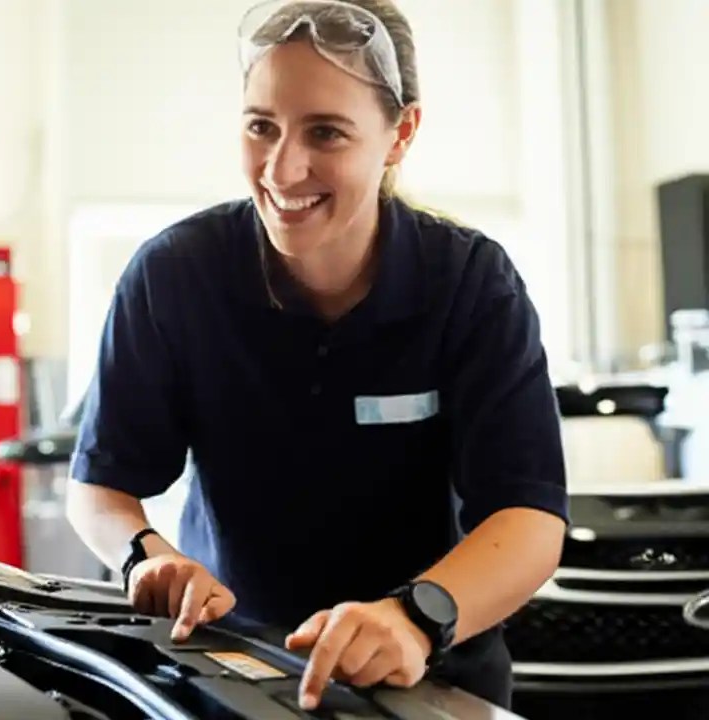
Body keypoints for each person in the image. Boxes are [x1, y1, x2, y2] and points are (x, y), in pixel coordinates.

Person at [64, 0, 569, 712]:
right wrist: (148, 554)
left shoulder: (469, 285)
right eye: (260, 126)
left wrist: (416, 619)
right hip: (231, 671)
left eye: (326, 133)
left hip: (426, 680)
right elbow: (98, 486)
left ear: (401, 134)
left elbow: (528, 517)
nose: (283, 168)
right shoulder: (175, 276)